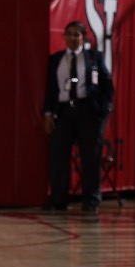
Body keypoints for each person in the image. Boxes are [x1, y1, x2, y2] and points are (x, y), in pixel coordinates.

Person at [43, 19, 112, 211]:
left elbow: (107, 86)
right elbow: (51, 89)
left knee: (91, 157)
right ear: (64, 37)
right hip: (64, 111)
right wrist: (48, 113)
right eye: (70, 34)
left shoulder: (94, 58)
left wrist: (105, 111)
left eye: (77, 34)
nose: (73, 38)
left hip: (87, 111)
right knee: (58, 156)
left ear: (83, 38)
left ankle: (90, 200)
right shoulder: (56, 60)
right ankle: (58, 199)